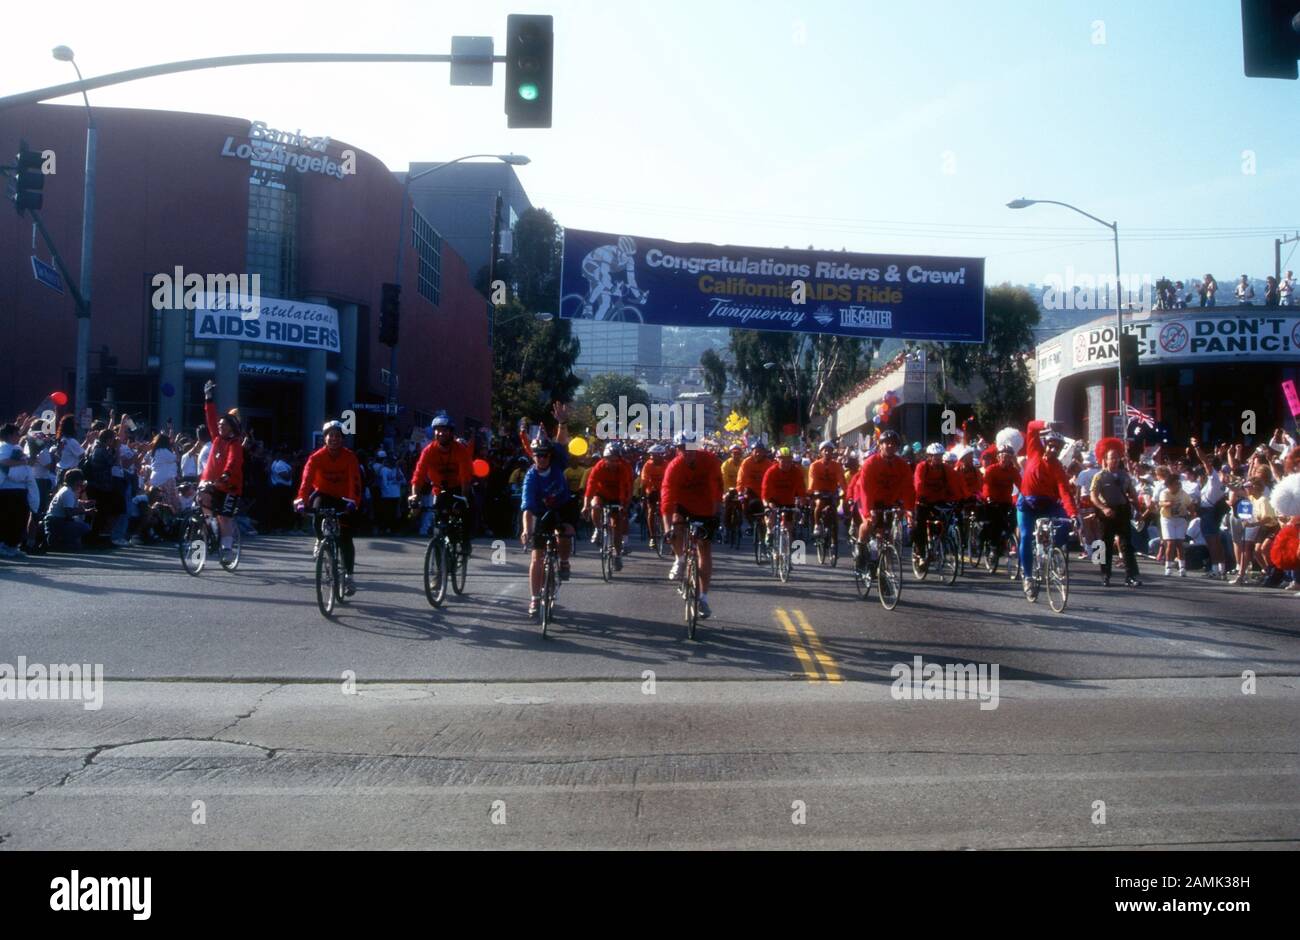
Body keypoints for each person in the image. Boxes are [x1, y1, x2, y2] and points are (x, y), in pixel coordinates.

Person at [296, 420, 363, 597]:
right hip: (323, 494)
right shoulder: (316, 457)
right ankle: (320, 540)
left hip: (344, 498)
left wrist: (353, 501)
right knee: (317, 512)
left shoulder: (349, 457)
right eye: (330, 436)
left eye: (337, 436)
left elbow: (354, 482)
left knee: (346, 539)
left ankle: (349, 576)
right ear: (324, 439)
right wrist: (301, 500)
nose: (334, 439)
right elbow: (306, 481)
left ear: (342, 439)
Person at [520, 407, 576, 619]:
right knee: (536, 557)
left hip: (562, 506)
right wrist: (527, 530)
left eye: (545, 455)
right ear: (533, 456)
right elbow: (527, 507)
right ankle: (535, 598)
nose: (542, 459)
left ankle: (563, 561)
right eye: (538, 455)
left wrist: (562, 422)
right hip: (542, 512)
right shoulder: (531, 477)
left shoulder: (558, 462)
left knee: (565, 533)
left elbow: (561, 442)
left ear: (550, 456)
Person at [661, 432, 722, 618]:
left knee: (704, 548)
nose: (688, 453)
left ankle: (703, 597)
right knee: (676, 527)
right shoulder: (674, 467)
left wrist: (715, 514)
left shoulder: (710, 460)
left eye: (691, 449)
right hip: (682, 504)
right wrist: (667, 530)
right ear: (678, 450)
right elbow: (666, 499)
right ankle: (679, 559)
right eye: (683, 450)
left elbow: (717, 488)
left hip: (705, 505)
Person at [1017, 421, 1079, 598]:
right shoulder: (1034, 451)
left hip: (1047, 504)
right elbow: (1030, 427)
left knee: (1065, 524)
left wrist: (1073, 514)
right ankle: (1028, 577)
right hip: (1027, 505)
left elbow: (1065, 493)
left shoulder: (1058, 468)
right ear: (1046, 445)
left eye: (1057, 448)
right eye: (1051, 446)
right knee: (1027, 536)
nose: (1053, 450)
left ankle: (1052, 552)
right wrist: (1046, 423)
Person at [848, 430, 915, 575]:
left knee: (887, 536)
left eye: (894, 444)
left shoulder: (902, 465)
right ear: (880, 445)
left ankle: (884, 570)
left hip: (888, 501)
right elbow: (865, 489)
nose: (890, 446)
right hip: (867, 498)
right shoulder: (871, 463)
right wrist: (868, 510)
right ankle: (860, 546)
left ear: (897, 447)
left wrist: (909, 509)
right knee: (869, 522)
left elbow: (909, 488)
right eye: (887, 443)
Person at [410, 414, 474, 556]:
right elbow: (418, 475)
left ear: (451, 432)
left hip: (458, 488)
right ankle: (439, 572)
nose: (441, 433)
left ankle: (465, 541)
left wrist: (464, 499)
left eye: (444, 430)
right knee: (438, 528)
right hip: (440, 489)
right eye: (438, 430)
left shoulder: (460, 450)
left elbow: (465, 478)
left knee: (466, 511)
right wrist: (415, 496)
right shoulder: (428, 451)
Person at [198, 380, 246, 565]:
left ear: (232, 428)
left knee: (225, 518)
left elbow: (233, 461)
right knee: (202, 504)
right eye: (219, 425)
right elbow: (210, 417)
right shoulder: (217, 439)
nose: (220, 427)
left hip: (229, 487)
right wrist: (208, 398)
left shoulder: (235, 443)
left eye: (224, 425)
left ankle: (227, 549)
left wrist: (225, 475)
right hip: (210, 482)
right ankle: (210, 529)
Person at [1089, 442, 1142, 586]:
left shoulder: (1125, 476)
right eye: (1112, 458)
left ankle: (1130, 576)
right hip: (1106, 513)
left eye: (1117, 458)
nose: (1115, 460)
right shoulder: (1099, 476)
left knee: (1126, 544)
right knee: (1103, 544)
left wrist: (1138, 510)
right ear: (1105, 460)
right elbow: (1093, 496)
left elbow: (1132, 493)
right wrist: (1103, 508)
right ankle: (1105, 574)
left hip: (1122, 511)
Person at [583, 442, 633, 569]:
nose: (613, 463)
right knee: (595, 506)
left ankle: (617, 555)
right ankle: (598, 529)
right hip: (602, 494)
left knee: (616, 527)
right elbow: (590, 487)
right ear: (605, 459)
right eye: (610, 460)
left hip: (617, 496)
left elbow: (625, 487)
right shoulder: (599, 467)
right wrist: (586, 505)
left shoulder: (624, 468)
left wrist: (623, 505)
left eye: (616, 460)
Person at [912, 442, 962, 568]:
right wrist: (921, 496)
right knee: (920, 525)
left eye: (940, 456)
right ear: (929, 456)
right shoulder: (922, 467)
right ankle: (921, 554)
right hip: (923, 501)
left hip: (939, 500)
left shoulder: (945, 469)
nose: (938, 459)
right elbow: (918, 483)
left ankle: (939, 543)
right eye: (935, 456)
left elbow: (954, 484)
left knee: (945, 521)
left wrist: (958, 499)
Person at [761, 446, 807, 554]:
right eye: (783, 460)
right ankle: (769, 532)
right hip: (774, 500)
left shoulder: (796, 472)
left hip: (788, 501)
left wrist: (802, 504)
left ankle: (787, 556)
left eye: (789, 461)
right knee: (771, 516)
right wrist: (766, 505)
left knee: (789, 528)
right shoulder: (771, 472)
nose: (786, 463)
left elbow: (801, 490)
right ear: (777, 460)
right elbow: (765, 492)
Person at [43, 468, 95, 551]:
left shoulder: (68, 490)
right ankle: (63, 542)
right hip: (56, 521)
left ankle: (66, 542)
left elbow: (73, 502)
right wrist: (86, 511)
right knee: (84, 527)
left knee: (79, 525)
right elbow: (69, 512)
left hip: (57, 520)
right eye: (80, 480)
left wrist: (85, 503)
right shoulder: (68, 492)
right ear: (76, 481)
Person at [808, 441, 845, 547]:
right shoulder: (814, 465)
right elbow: (812, 481)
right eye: (825, 450)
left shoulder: (837, 465)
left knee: (834, 512)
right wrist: (811, 493)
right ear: (821, 452)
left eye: (830, 450)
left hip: (832, 492)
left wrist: (845, 492)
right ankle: (817, 525)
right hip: (819, 491)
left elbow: (842, 481)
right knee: (819, 504)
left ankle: (834, 539)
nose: (827, 452)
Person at [640, 444, 669, 551]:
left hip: (664, 490)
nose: (655, 457)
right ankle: (652, 536)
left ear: (662, 455)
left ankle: (666, 531)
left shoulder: (667, 465)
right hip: (652, 490)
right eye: (653, 455)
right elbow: (644, 481)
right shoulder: (647, 465)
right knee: (651, 510)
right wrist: (642, 496)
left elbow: (670, 480)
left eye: (658, 455)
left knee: (665, 511)